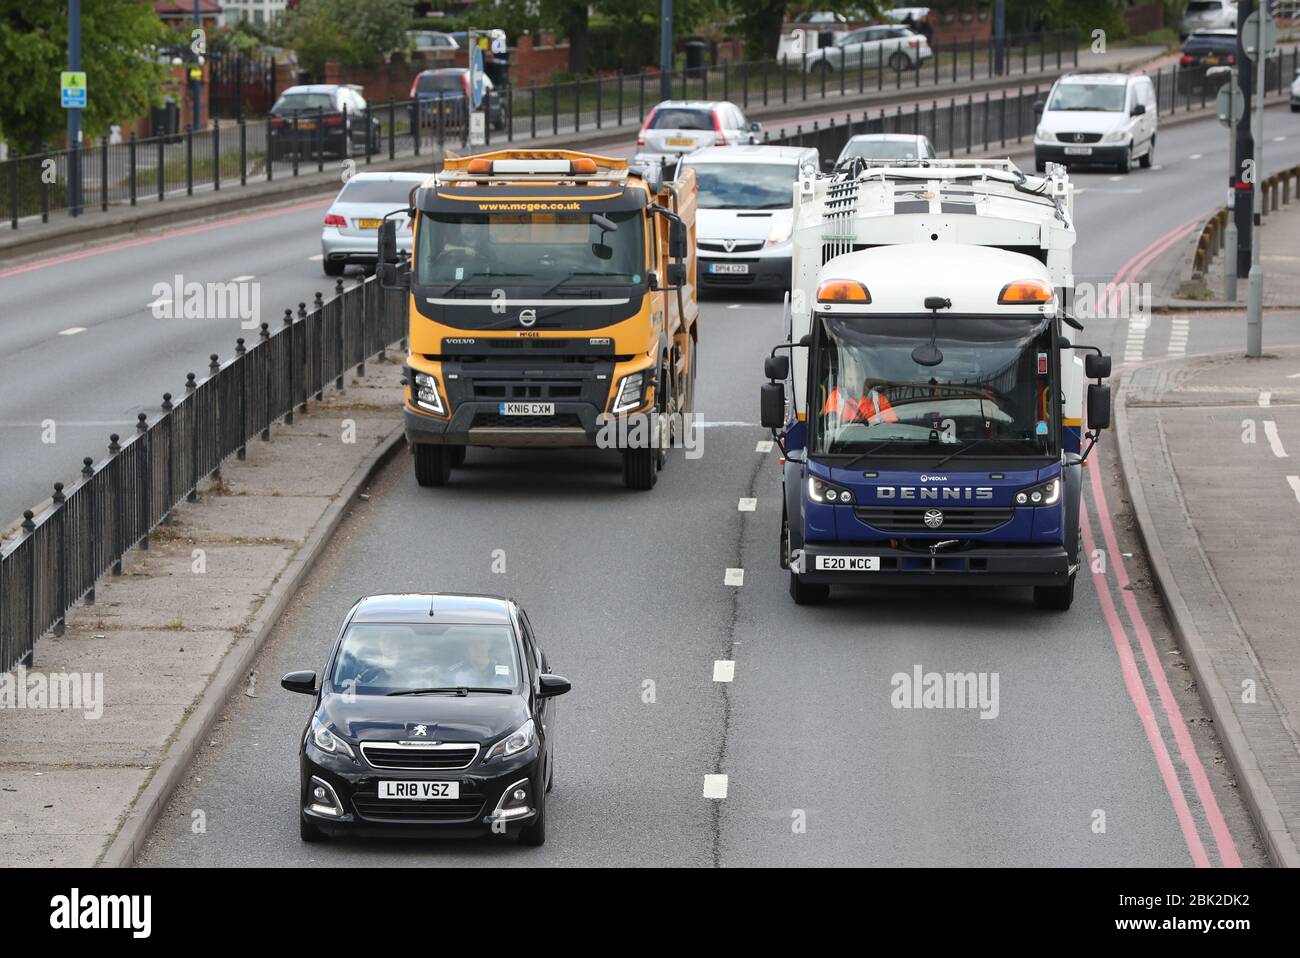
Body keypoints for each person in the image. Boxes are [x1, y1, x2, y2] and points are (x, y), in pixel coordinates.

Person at [823, 381, 898, 424]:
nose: (854, 378)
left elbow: (890, 430)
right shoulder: (835, 397)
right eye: (850, 373)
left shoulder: (880, 399)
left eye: (858, 374)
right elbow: (831, 428)